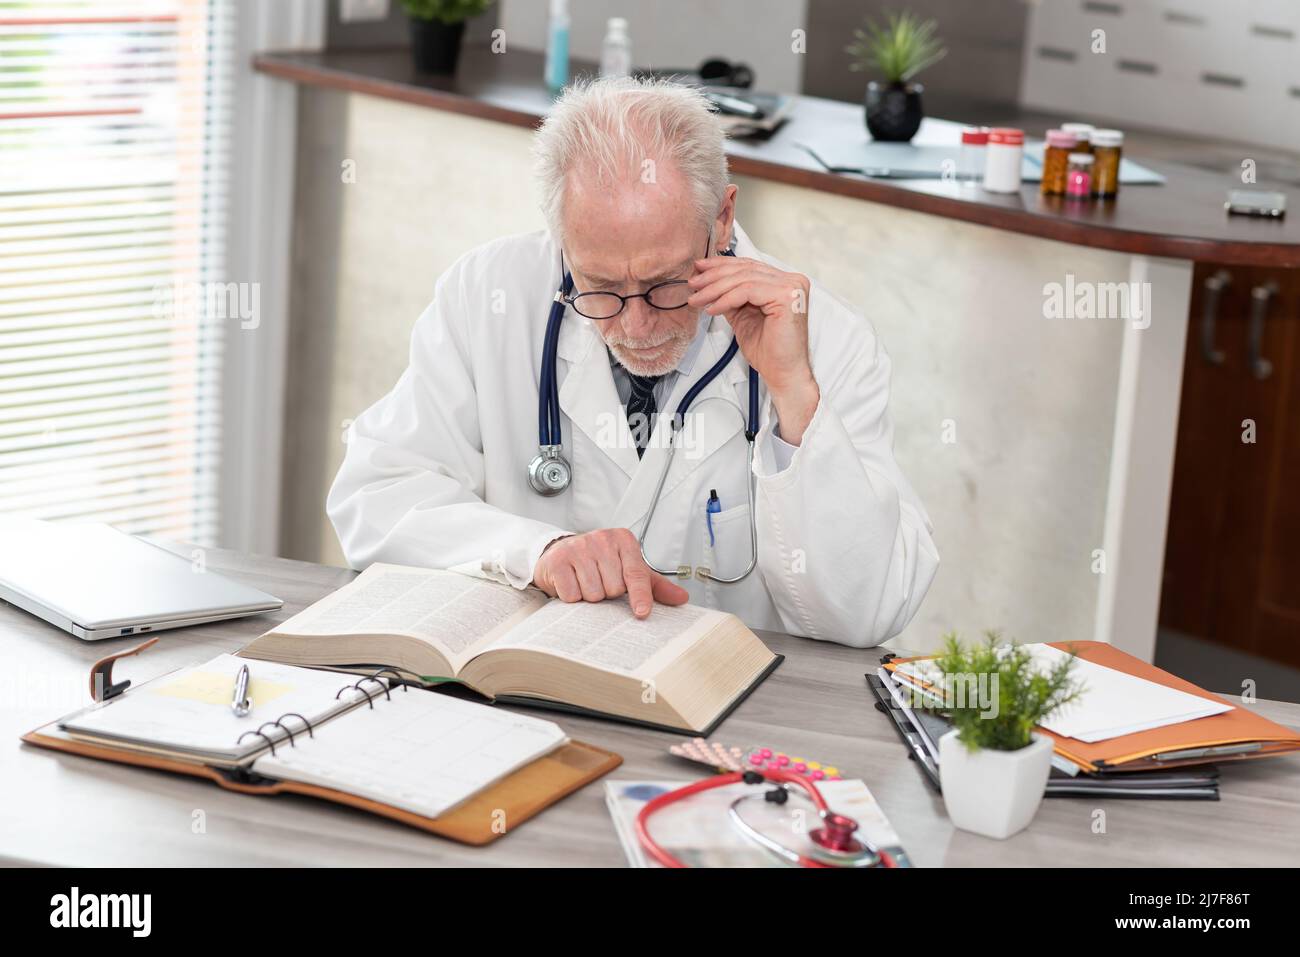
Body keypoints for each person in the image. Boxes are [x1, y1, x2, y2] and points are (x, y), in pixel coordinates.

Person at [327, 76, 938, 648]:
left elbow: (870, 611)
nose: (636, 325)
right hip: (534, 686)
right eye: (598, 286)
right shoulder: (488, 294)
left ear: (722, 217)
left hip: (742, 717)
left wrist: (795, 397)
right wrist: (536, 550)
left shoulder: (830, 337)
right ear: (559, 236)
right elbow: (375, 497)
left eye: (667, 284)